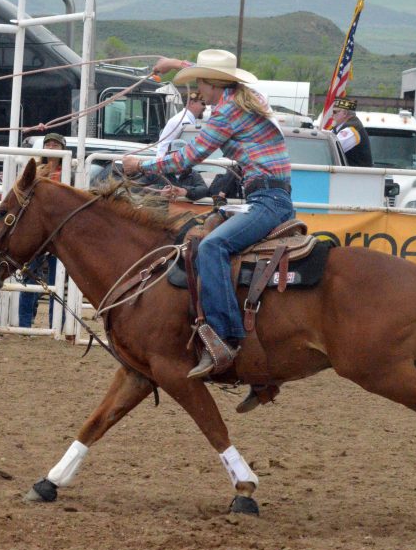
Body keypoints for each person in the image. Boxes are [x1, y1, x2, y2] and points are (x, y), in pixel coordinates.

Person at [122, 49, 294, 387]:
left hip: (267, 200)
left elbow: (190, 156)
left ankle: (223, 338)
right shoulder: (246, 98)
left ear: (214, 83)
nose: (197, 88)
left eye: (201, 81)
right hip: (269, 195)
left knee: (212, 247)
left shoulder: (226, 113)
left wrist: (139, 165)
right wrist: (175, 65)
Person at [19, 131, 65, 328]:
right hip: (39, 231)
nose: (52, 148)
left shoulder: (68, 171)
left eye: (56, 145)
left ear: (62, 148)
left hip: (58, 231)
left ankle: (56, 324)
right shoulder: (37, 171)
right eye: (49, 144)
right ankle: (25, 322)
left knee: (57, 279)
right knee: (30, 277)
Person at [156, 90, 207, 159]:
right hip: (168, 163)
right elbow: (192, 150)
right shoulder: (185, 122)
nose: (205, 107)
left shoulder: (183, 118)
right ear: (191, 103)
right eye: (203, 104)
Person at [329, 97, 373, 167]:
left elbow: (330, 149)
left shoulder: (352, 130)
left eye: (335, 112)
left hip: (357, 176)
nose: (332, 115)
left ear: (345, 113)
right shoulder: (338, 127)